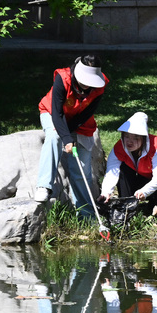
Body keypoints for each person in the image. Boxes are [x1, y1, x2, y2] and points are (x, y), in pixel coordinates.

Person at [35, 54, 108, 216]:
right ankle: (44, 185)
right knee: (54, 137)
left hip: (81, 122)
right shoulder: (63, 79)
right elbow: (57, 113)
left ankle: (85, 214)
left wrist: (70, 132)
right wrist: (66, 138)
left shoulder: (99, 87)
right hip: (52, 113)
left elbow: (87, 113)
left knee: (82, 170)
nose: (88, 85)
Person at [98, 111, 157, 216]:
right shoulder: (119, 147)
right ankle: (127, 205)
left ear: (143, 138)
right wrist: (106, 192)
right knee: (123, 169)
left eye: (136, 138)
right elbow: (112, 171)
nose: (130, 141)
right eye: (127, 136)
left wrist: (145, 191)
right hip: (144, 177)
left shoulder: (156, 145)